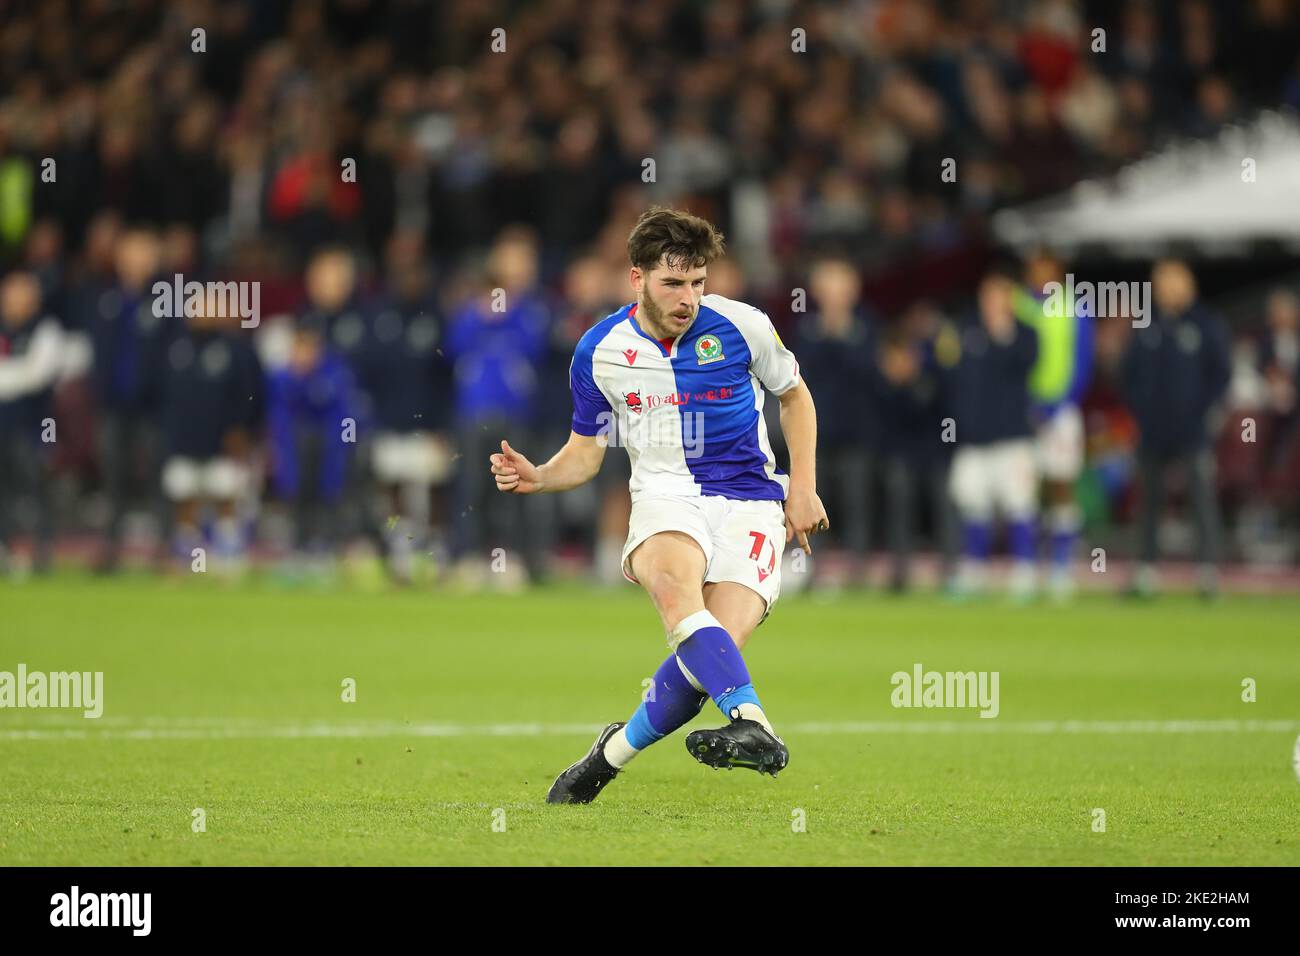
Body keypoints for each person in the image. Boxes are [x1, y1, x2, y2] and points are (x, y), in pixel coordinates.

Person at [489, 207, 828, 803]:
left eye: (698, 282)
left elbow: (795, 397)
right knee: (678, 597)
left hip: (751, 501)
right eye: (673, 283)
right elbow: (586, 453)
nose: (689, 297)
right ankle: (757, 725)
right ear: (636, 279)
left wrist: (801, 487)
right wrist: (540, 476)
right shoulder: (599, 352)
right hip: (665, 495)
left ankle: (609, 755)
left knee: (708, 658)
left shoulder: (743, 325)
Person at [1121, 259, 1231, 598]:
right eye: (1160, 283)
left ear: (1188, 286)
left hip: (1192, 431)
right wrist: (1141, 410)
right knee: (1149, 502)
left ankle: (1208, 574)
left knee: (1200, 500)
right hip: (1152, 430)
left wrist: (1202, 413)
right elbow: (1128, 373)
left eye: (1172, 282)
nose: (1166, 290)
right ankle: (1146, 573)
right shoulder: (1147, 325)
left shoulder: (1205, 324)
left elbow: (1221, 374)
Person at [947, 273, 1041, 599]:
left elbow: (1028, 363)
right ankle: (974, 569)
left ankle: (1024, 571)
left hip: (1012, 437)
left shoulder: (1024, 334)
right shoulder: (968, 332)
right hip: (974, 439)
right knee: (973, 503)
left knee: (1019, 504)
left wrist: (1003, 332)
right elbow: (954, 377)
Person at [1014, 250, 1094, 599]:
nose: (1041, 275)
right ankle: (1027, 568)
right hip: (1022, 413)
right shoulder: (1017, 305)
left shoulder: (1074, 307)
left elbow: (1083, 361)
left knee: (1062, 486)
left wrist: (1060, 404)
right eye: (1036, 268)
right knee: (1026, 490)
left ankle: (1061, 567)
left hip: (1061, 412)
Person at [0, 271, 64, 574]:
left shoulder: (46, 328)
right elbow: (22, 374)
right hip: (4, 423)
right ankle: (6, 551)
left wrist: (8, 375)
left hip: (40, 424)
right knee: (4, 489)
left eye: (24, 293)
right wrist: (17, 373)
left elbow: (37, 376)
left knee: (37, 484)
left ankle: (42, 552)